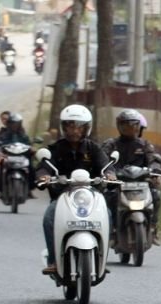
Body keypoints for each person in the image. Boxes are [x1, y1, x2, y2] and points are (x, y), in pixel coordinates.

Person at [36, 104, 110, 274]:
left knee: (109, 214)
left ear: (87, 128)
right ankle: (54, 260)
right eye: (71, 126)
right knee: (49, 217)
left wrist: (110, 175)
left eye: (80, 127)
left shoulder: (93, 149)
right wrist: (44, 176)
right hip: (63, 196)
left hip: (91, 196)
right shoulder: (56, 149)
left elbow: (106, 166)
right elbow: (44, 166)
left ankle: (101, 258)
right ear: (64, 127)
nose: (75, 131)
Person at [100, 109, 161, 242]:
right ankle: (110, 229)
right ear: (119, 126)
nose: (130, 129)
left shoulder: (144, 144)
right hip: (117, 183)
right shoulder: (111, 144)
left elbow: (153, 160)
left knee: (156, 195)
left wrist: (156, 172)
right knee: (107, 197)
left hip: (141, 183)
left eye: (134, 125)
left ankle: (153, 226)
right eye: (126, 125)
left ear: (138, 126)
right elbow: (102, 160)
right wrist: (108, 173)